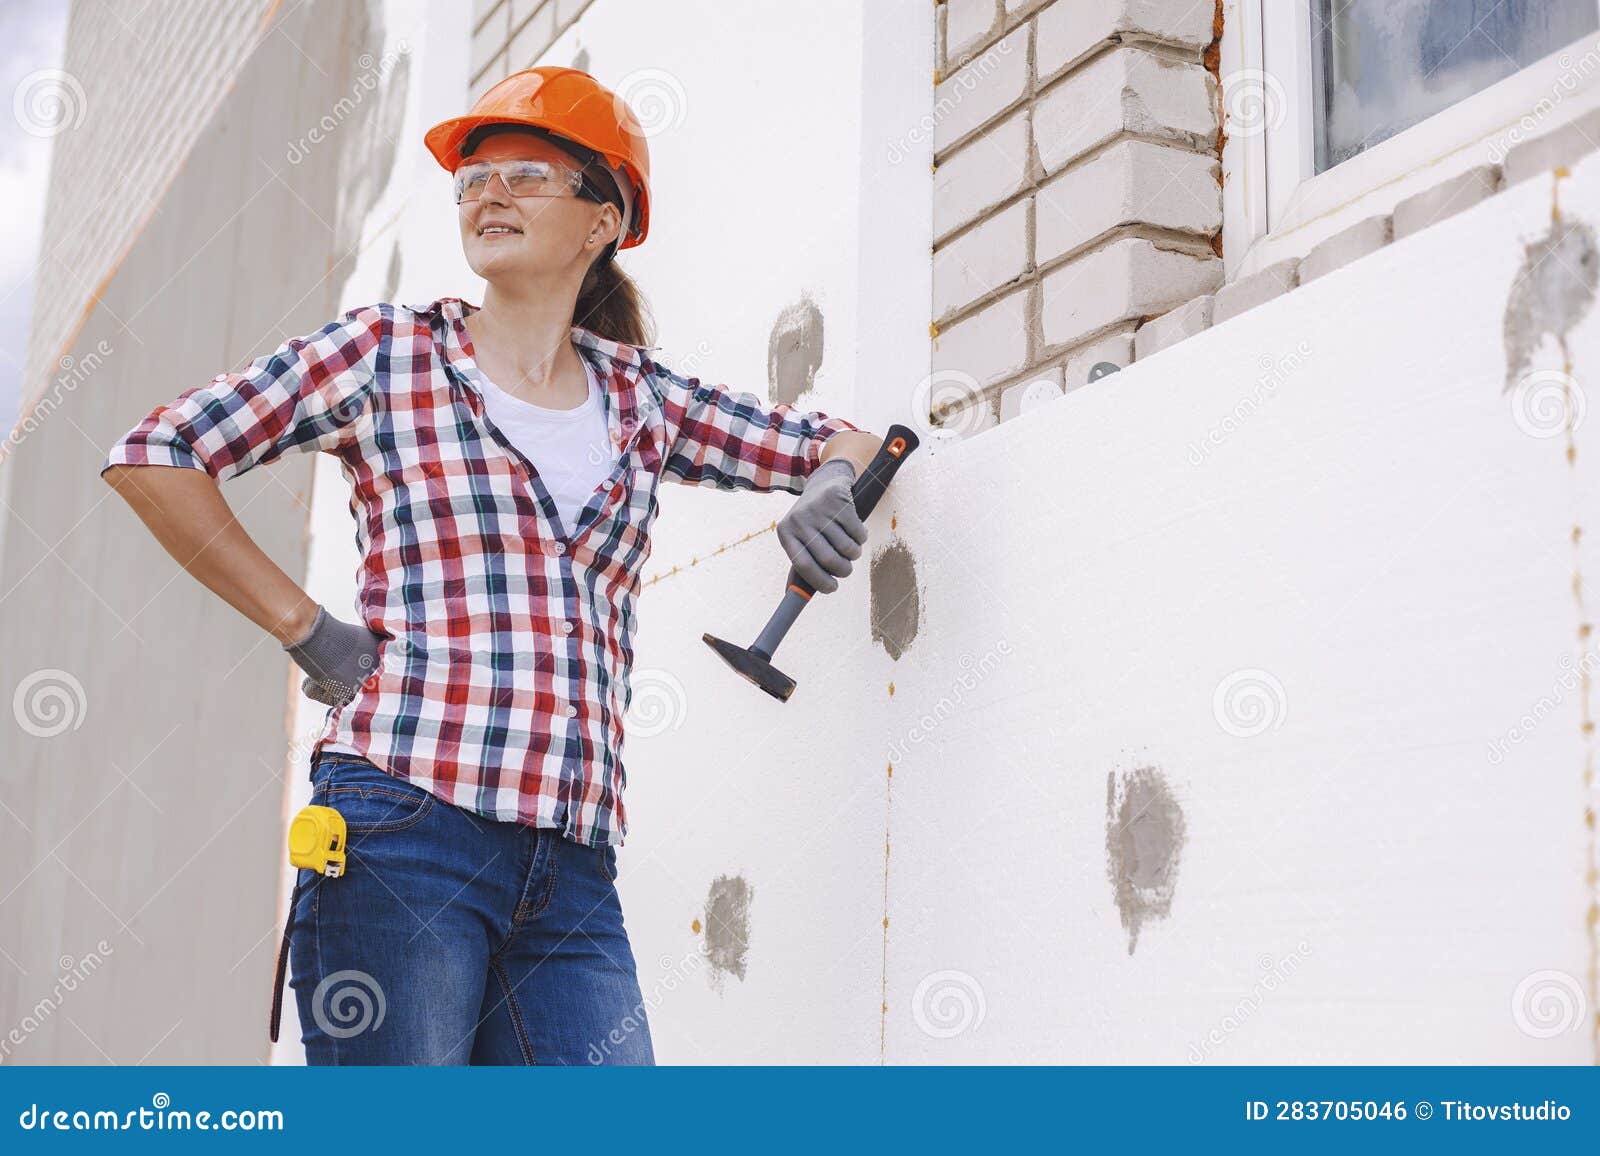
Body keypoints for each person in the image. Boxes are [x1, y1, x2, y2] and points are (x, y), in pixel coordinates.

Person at [98, 66, 881, 1065]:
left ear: (604, 219)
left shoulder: (642, 397)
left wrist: (829, 484)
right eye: (473, 180)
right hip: (403, 830)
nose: (488, 194)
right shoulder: (386, 354)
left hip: (571, 866)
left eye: (526, 174)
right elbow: (155, 455)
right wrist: (304, 627)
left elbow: (846, 443)